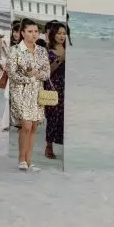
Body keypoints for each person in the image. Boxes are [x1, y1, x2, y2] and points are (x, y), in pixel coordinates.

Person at [8, 18, 50, 171]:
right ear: (23, 33)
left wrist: (37, 74)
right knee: (25, 125)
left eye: (36, 32)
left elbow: (47, 73)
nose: (34, 34)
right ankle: (21, 159)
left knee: (33, 126)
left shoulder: (42, 51)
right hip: (20, 92)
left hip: (37, 92)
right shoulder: (15, 50)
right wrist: (30, 77)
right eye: (30, 31)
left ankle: (29, 159)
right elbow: (12, 74)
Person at [44, 22, 68, 159]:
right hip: (53, 86)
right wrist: (60, 59)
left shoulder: (69, 49)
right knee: (52, 117)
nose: (62, 36)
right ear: (53, 34)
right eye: (59, 33)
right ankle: (49, 146)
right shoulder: (47, 50)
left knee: (64, 117)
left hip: (66, 86)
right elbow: (47, 71)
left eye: (64, 33)